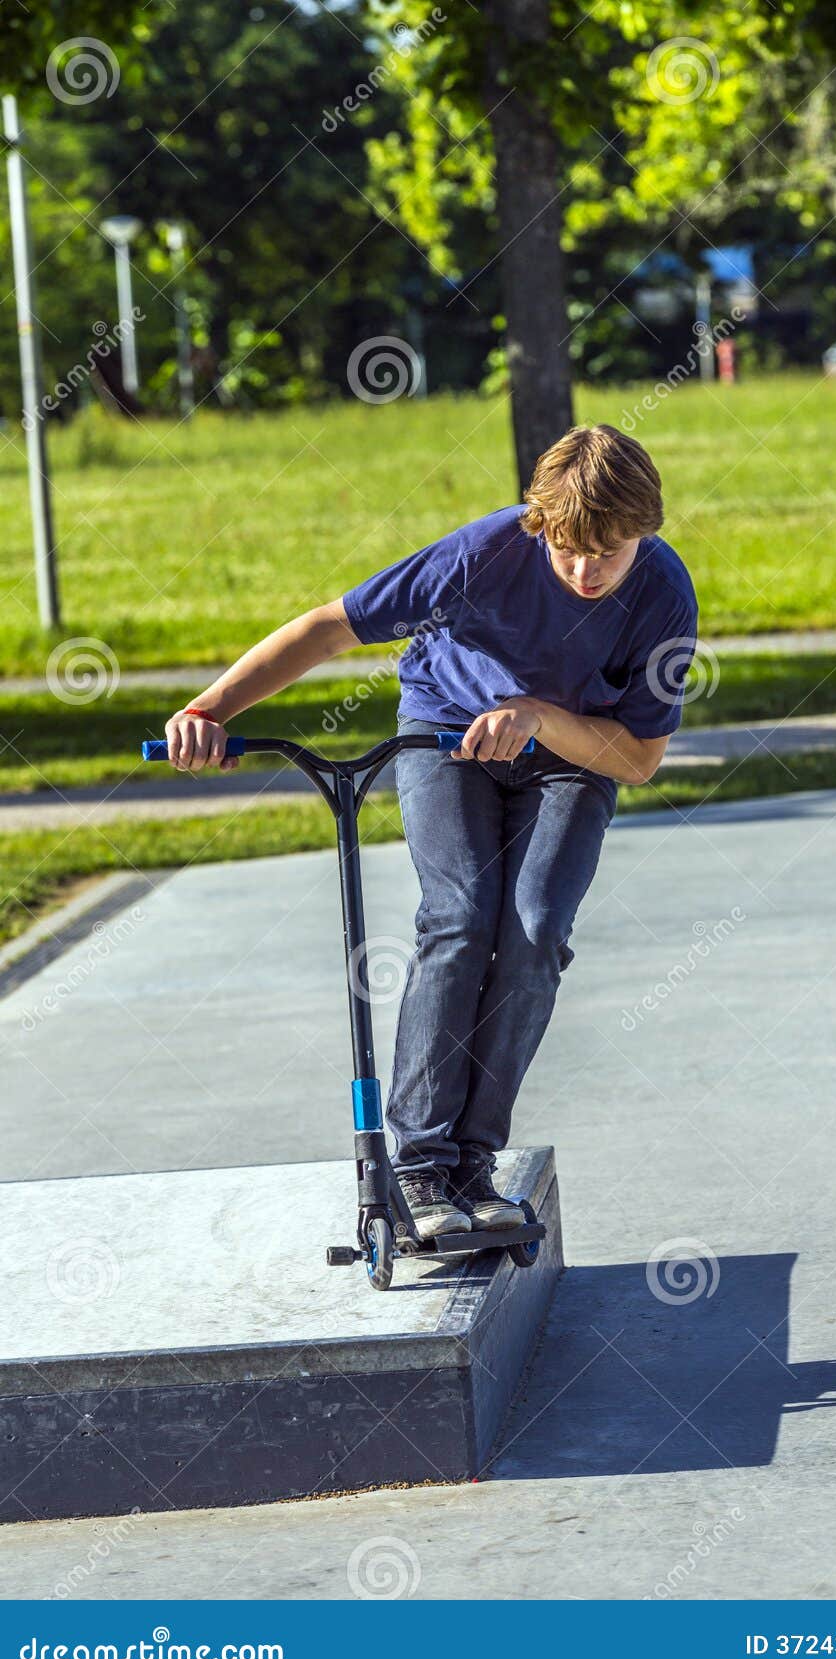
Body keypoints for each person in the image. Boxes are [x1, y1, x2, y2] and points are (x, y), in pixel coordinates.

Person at [163, 423, 698, 1240]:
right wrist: (209, 709)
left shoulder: (663, 593)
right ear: (537, 525)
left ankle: (472, 1167)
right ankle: (417, 1167)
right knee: (457, 918)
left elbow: (637, 760)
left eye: (610, 554)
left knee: (534, 931)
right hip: (448, 737)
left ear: (645, 534)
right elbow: (330, 627)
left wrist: (541, 717)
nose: (587, 571)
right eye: (568, 551)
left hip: (569, 756)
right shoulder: (482, 553)